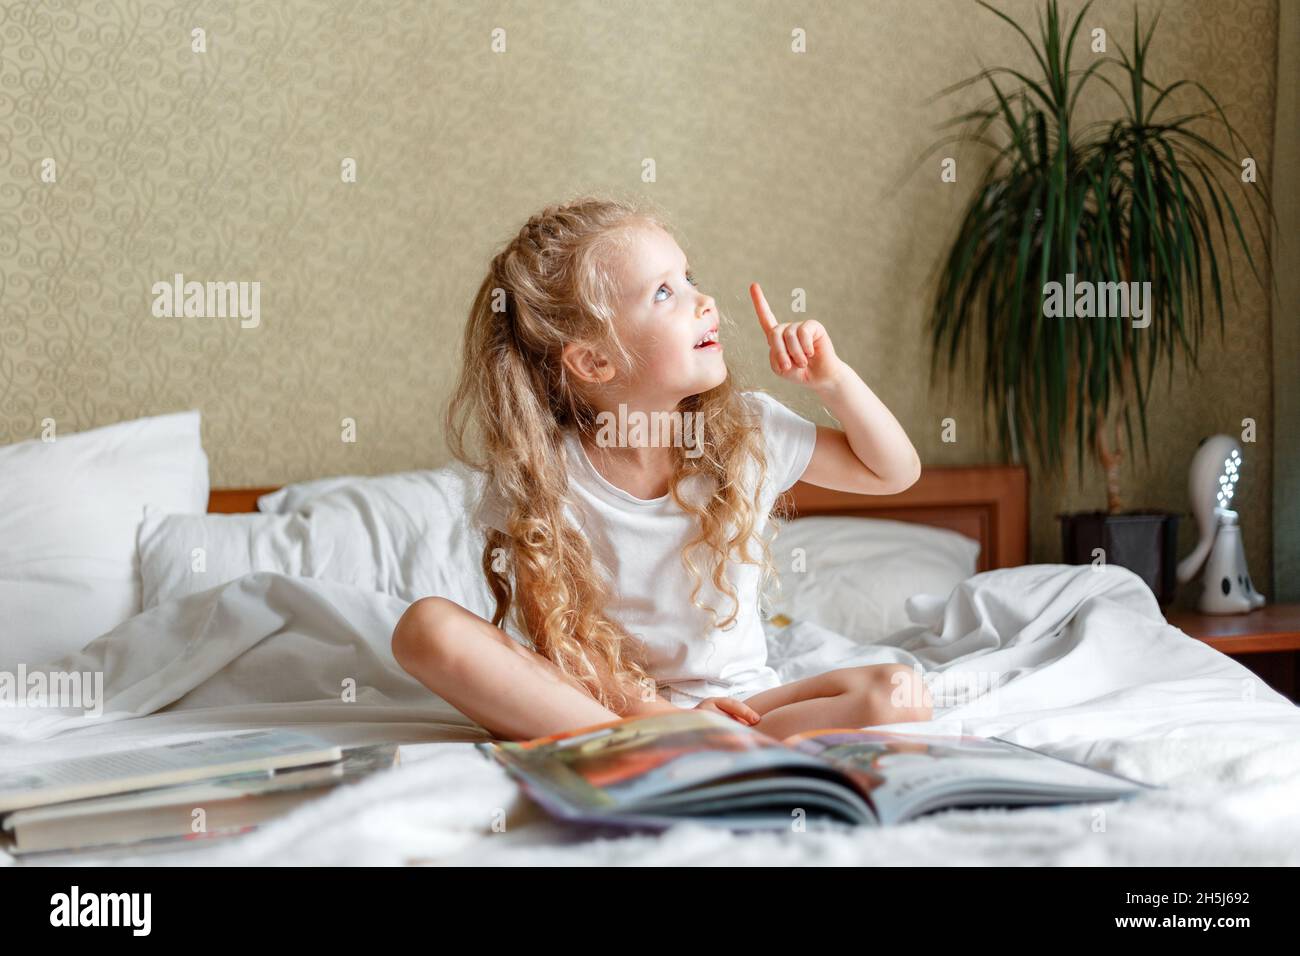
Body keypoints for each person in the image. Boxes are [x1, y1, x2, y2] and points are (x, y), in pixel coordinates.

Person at [392, 196, 931, 742]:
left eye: (689, 278)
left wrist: (832, 381)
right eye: (665, 292)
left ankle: (684, 751)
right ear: (594, 360)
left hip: (744, 707)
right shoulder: (544, 473)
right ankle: (660, 746)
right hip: (608, 707)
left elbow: (893, 473)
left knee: (901, 692)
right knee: (425, 628)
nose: (706, 301)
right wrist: (659, 716)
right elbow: (562, 643)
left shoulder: (749, 431)